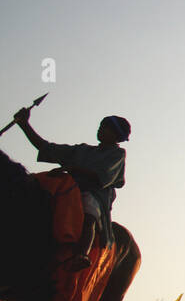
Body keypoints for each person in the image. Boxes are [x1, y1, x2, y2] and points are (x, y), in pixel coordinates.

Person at [11, 110, 130, 266]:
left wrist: (72, 169)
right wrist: (24, 125)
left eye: (105, 127)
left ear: (116, 135)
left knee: (89, 212)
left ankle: (82, 254)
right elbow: (47, 148)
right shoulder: (83, 150)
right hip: (67, 189)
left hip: (92, 193)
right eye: (101, 125)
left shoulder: (117, 154)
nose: (100, 129)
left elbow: (102, 176)